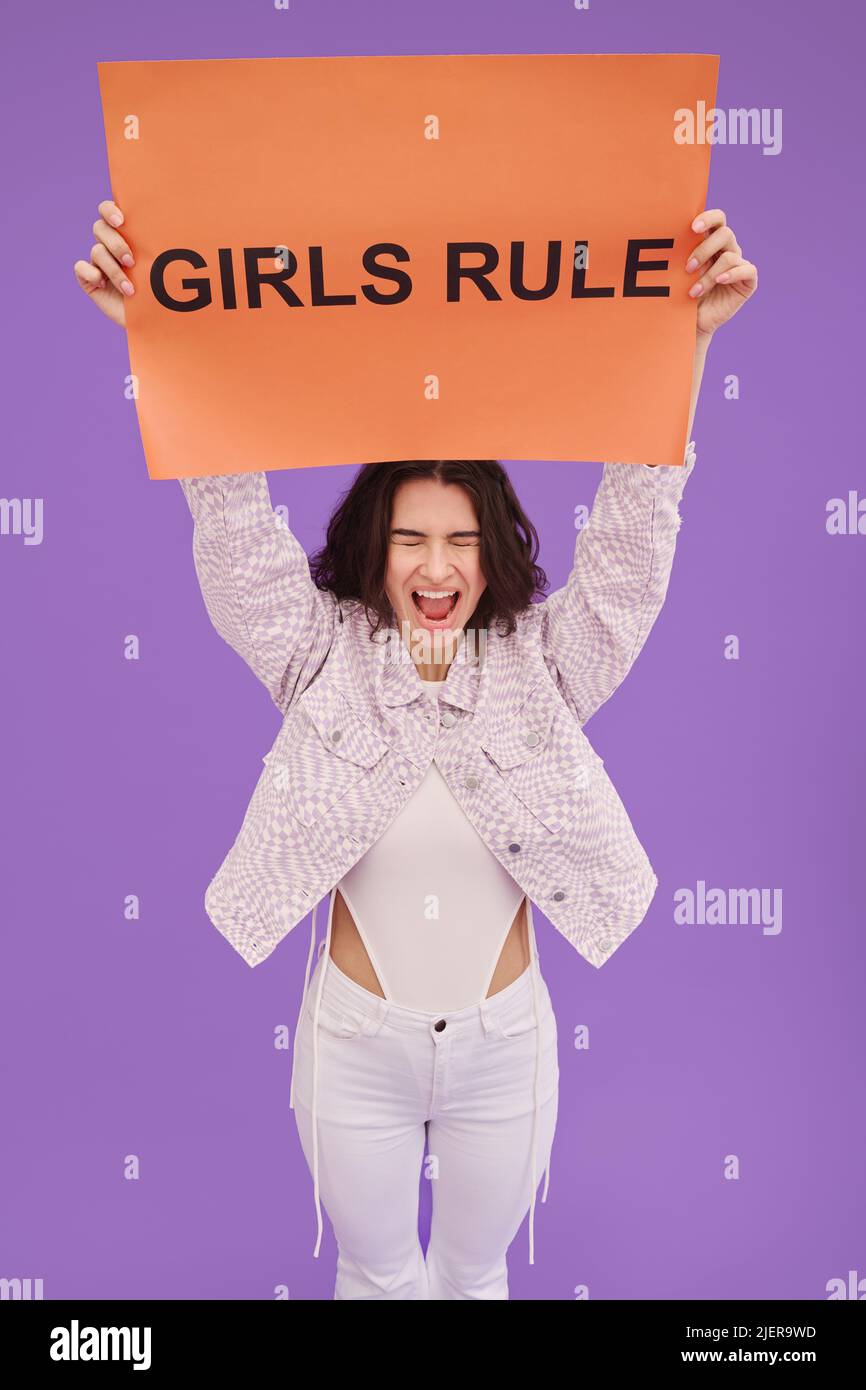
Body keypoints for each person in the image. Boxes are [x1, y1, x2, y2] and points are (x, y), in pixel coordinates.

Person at [75, 202, 758, 1299]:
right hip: (355, 1041)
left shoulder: (545, 665)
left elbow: (630, 555)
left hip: (504, 1043)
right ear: (371, 551)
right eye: (408, 539)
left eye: (458, 540)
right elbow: (238, 534)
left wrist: (687, 351)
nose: (434, 565)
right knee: (378, 1271)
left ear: (491, 555)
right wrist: (157, 336)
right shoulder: (318, 656)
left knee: (475, 1272)